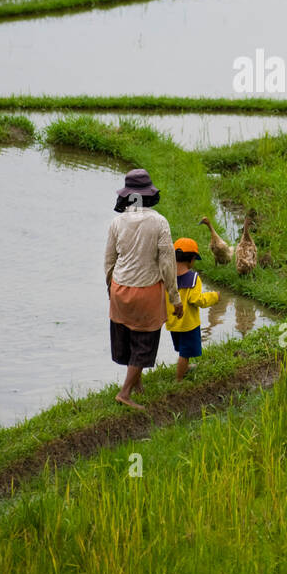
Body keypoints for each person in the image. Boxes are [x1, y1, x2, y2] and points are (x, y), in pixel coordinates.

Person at [105, 168, 182, 408]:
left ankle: (137, 384)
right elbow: (168, 264)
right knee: (143, 342)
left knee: (126, 336)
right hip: (146, 291)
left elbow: (109, 260)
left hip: (120, 288)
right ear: (149, 195)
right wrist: (175, 298)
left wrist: (110, 288)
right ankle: (124, 393)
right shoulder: (159, 222)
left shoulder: (117, 222)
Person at [165, 237, 219, 381]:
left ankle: (185, 367)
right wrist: (214, 296)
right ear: (191, 259)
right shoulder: (193, 278)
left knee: (183, 349)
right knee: (185, 353)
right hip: (188, 324)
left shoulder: (167, 277)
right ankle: (179, 379)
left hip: (173, 322)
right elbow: (197, 300)